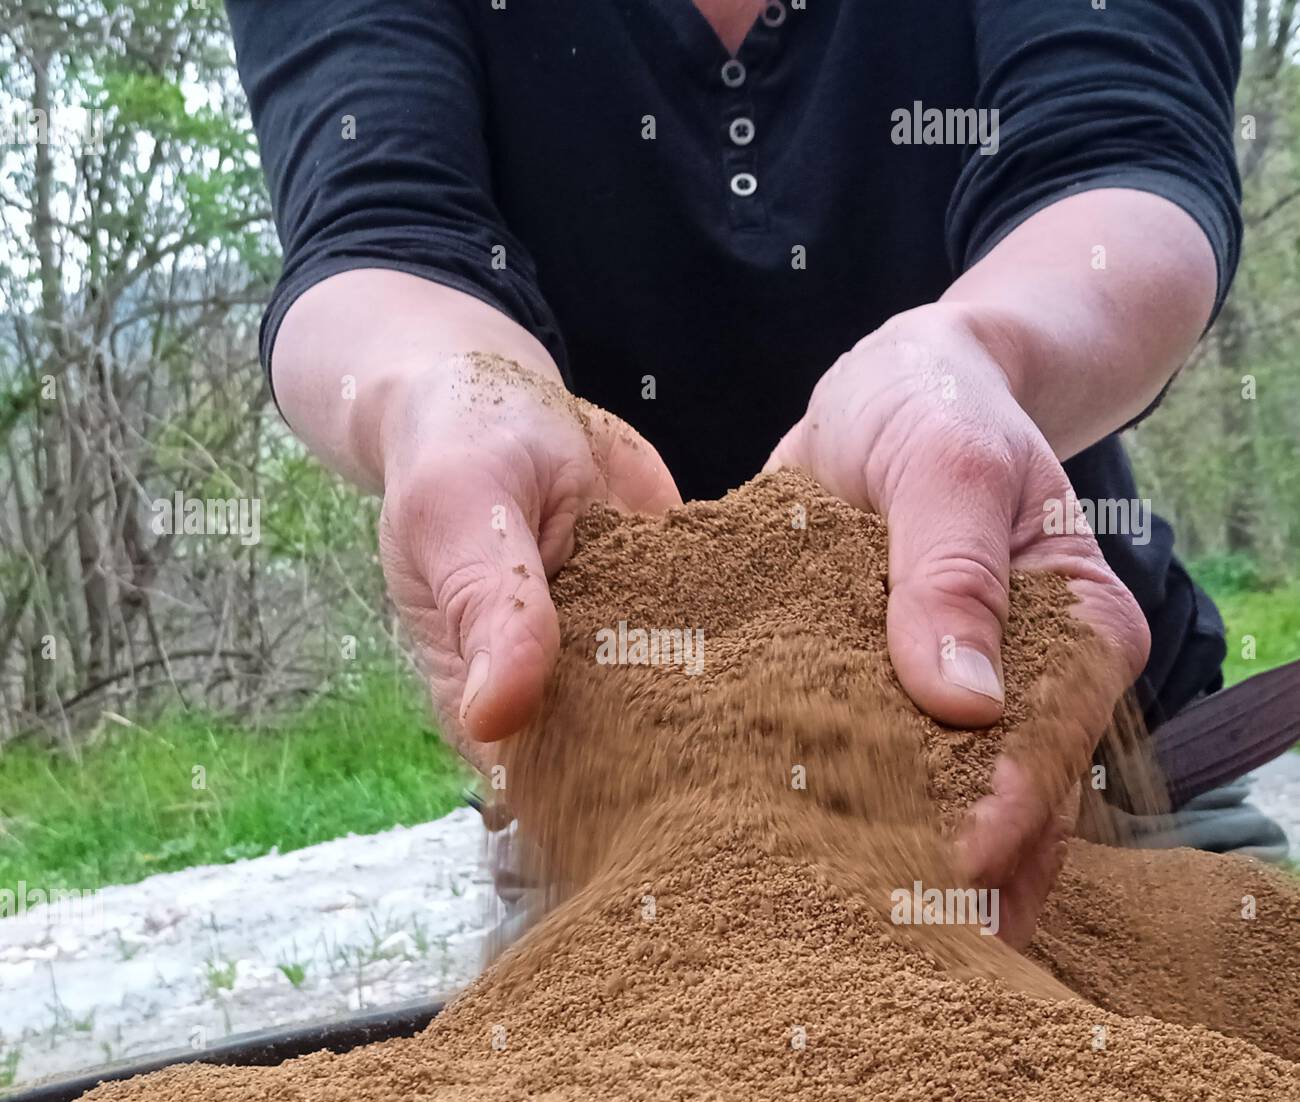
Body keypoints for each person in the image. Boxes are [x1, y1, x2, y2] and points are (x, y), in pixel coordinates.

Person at [225, 0, 1255, 941]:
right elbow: (375, 225)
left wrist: (975, 356)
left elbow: (1120, 146)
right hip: (624, 842)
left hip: (1085, 779)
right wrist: (443, 392)